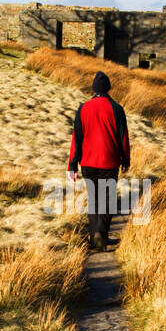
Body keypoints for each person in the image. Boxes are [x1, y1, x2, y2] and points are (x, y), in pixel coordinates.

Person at [67, 70, 130, 251]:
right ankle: (100, 237)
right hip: (109, 163)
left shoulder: (83, 108)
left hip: (87, 163)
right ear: (108, 89)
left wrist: (72, 164)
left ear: (93, 89)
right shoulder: (117, 109)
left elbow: (76, 138)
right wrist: (125, 159)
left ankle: (96, 236)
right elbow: (123, 138)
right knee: (108, 201)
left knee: (94, 199)